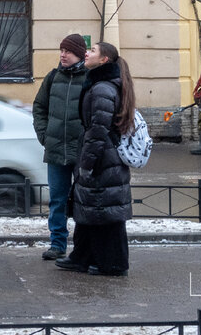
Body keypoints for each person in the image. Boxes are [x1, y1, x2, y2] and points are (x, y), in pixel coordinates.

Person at [56, 41, 134, 277]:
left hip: (102, 159)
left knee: (104, 211)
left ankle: (112, 264)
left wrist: (87, 164)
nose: (87, 53)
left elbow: (97, 130)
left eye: (93, 51)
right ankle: (82, 257)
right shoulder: (102, 84)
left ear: (104, 60)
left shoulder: (102, 89)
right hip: (104, 157)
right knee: (91, 209)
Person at [31, 34, 88, 261]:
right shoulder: (53, 77)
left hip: (82, 151)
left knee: (85, 201)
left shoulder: (90, 78)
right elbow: (39, 107)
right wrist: (44, 135)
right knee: (57, 199)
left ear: (80, 54)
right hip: (55, 148)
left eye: (68, 51)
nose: (63, 55)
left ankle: (83, 246)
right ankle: (57, 243)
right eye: (62, 50)